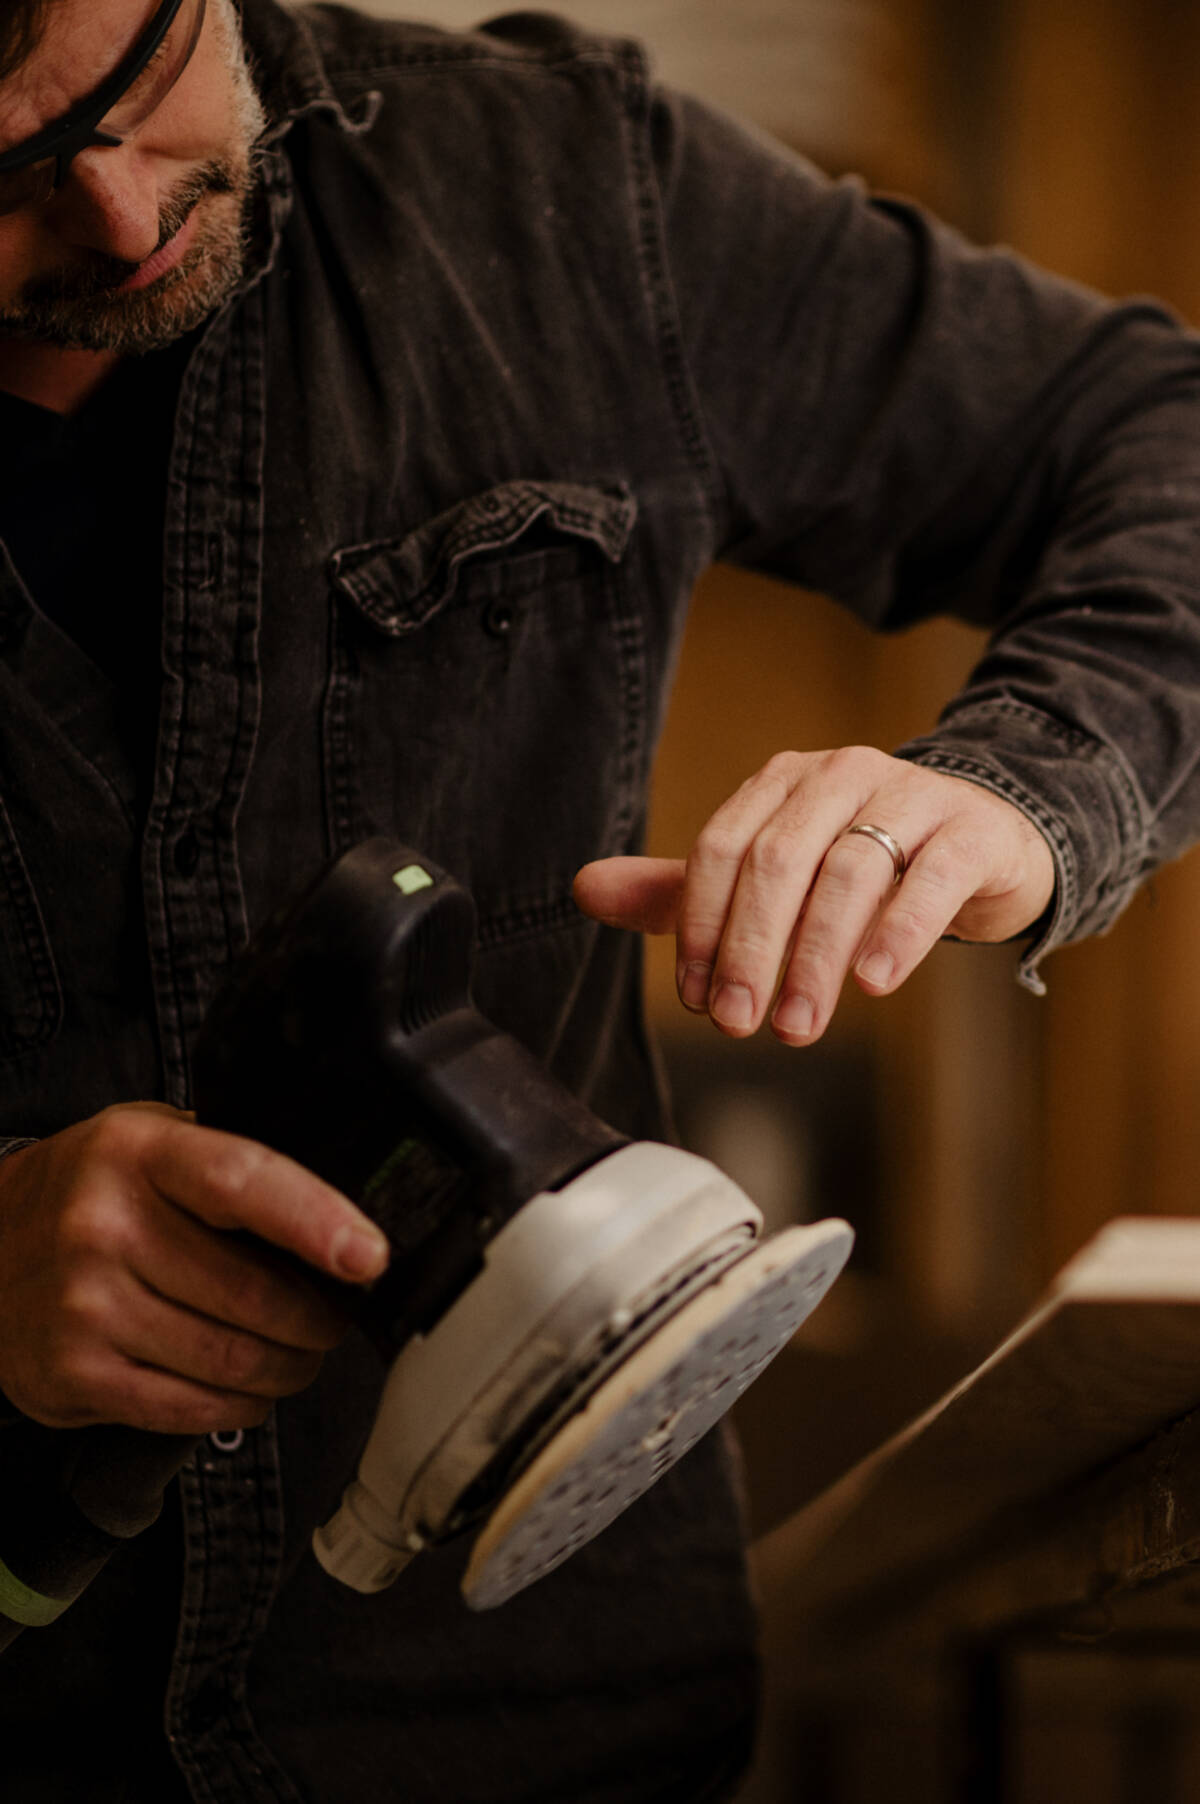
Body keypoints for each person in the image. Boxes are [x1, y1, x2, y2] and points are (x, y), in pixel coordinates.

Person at [0, 0, 1197, 1797]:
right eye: (3, 177)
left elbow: (1161, 444)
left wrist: (1017, 790)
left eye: (132, 77)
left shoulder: (556, 188)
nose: (111, 211)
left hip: (541, 1720)